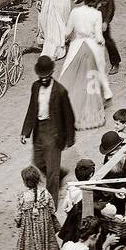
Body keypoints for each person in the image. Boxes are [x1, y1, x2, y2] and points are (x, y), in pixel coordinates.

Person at [20, 54, 75, 207]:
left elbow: (68, 115)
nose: (43, 79)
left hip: (54, 131)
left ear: (51, 74)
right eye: (41, 76)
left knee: (51, 172)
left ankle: (51, 205)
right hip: (39, 130)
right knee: (37, 161)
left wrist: (70, 138)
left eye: (46, 76)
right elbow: (32, 109)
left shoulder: (60, 91)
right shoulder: (35, 87)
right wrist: (25, 131)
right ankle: (60, 175)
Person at [58, 0, 113, 131]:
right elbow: (99, 36)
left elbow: (67, 32)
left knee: (70, 75)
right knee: (96, 74)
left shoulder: (75, 12)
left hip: (77, 46)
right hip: (91, 46)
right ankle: (104, 95)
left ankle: (67, 110)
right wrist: (101, 42)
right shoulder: (96, 14)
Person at [15, 165, 60, 250]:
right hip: (45, 231)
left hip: (30, 233)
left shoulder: (22, 196)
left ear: (25, 182)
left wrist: (19, 223)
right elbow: (52, 209)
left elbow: (17, 215)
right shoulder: (45, 194)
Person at [82, 0, 120, 74]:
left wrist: (106, 22)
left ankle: (115, 62)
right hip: (90, 18)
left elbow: (111, 7)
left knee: (107, 40)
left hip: (102, 19)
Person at [58, 159, 96, 245]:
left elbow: (65, 207)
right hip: (85, 223)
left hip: (72, 223)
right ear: (91, 174)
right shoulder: (91, 190)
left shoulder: (72, 189)